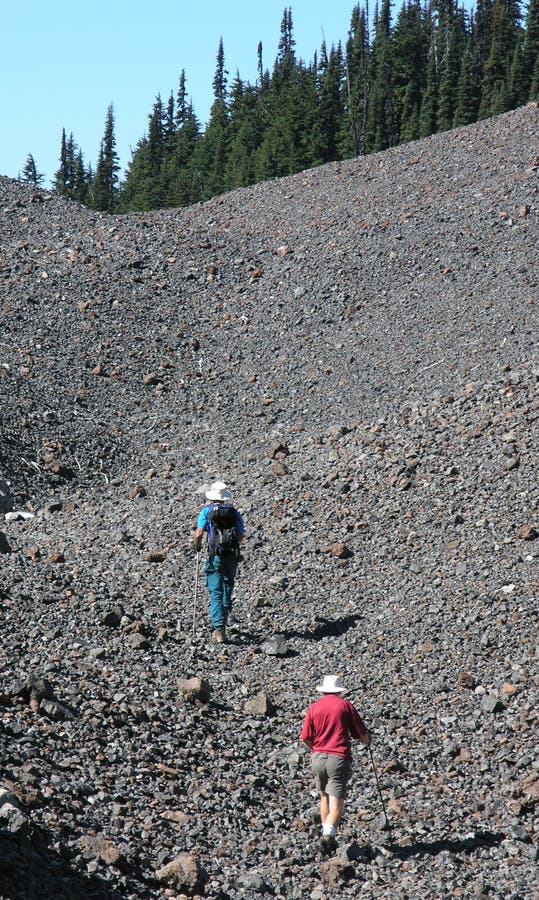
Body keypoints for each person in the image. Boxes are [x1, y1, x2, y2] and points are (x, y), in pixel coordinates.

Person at [300, 674, 371, 855]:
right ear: (339, 691)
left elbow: (305, 737)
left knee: (323, 796)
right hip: (337, 758)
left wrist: (316, 749)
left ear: (323, 690)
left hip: (317, 757)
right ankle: (327, 837)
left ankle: (327, 838)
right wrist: (367, 741)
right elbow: (361, 734)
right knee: (336, 802)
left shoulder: (314, 707)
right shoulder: (345, 706)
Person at [193, 481, 245, 644]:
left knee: (215, 591)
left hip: (215, 555)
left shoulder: (206, 511)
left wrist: (197, 546)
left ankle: (219, 629)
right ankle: (226, 612)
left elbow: (199, 533)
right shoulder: (234, 512)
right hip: (231, 554)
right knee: (228, 583)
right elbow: (240, 535)